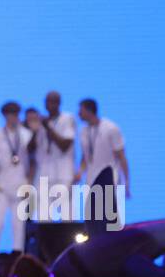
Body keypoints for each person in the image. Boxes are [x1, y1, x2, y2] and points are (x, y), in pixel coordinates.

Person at [0, 101, 34, 259]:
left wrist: (29, 184)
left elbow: (33, 162)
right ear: (5, 115)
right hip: (1, 186)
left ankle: (18, 258)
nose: (14, 117)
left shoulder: (27, 135)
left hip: (20, 185)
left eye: (16, 114)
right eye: (11, 114)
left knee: (18, 225)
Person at [76, 98, 130, 228]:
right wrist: (79, 173)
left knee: (110, 216)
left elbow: (121, 156)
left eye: (81, 110)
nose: (78, 114)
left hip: (109, 177)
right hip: (90, 179)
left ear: (89, 110)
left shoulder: (110, 128)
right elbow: (85, 156)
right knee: (92, 217)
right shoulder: (83, 131)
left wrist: (127, 181)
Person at [29, 91, 77, 221]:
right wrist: (34, 132)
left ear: (58, 103)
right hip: (44, 174)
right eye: (47, 101)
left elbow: (64, 145)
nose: (49, 104)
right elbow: (30, 149)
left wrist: (48, 127)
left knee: (67, 216)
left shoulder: (67, 119)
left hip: (63, 173)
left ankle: (68, 241)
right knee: (43, 216)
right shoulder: (41, 121)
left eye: (52, 101)